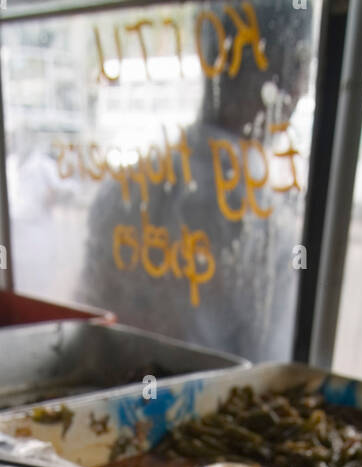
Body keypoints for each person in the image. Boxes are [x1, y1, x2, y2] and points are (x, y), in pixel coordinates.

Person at [77, 0, 313, 360]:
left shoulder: (122, 188)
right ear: (293, 79)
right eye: (303, 67)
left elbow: (84, 327)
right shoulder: (263, 229)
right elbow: (268, 377)